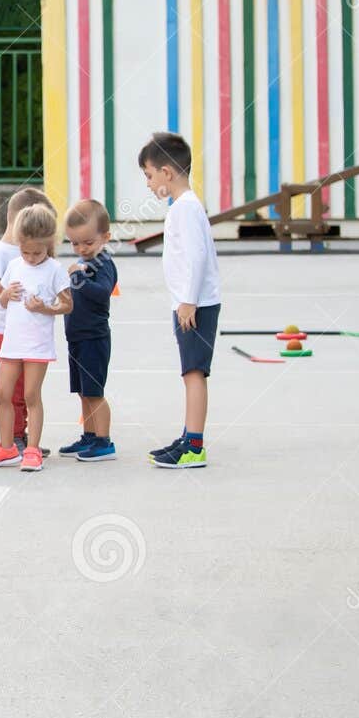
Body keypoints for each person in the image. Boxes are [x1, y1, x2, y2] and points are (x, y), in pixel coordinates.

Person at [140, 130, 220, 469]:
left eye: (148, 175)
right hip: (189, 302)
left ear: (166, 173)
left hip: (195, 304)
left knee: (193, 373)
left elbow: (198, 256)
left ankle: (195, 446)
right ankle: (188, 436)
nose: (147, 183)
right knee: (190, 371)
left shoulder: (185, 208)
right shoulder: (184, 206)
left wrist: (188, 301)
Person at [0, 205, 71, 472]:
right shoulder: (15, 265)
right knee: (1, 392)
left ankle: (32, 450)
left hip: (37, 344)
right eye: (25, 251)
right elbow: (3, 299)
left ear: (50, 244)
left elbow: (67, 305)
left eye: (37, 252)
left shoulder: (54, 269)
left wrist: (45, 307)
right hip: (12, 341)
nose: (30, 257)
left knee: (31, 394)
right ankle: (7, 446)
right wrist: (6, 294)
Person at [58, 200, 118, 462]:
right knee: (83, 392)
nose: (81, 249)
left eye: (88, 243)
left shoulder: (103, 263)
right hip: (77, 337)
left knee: (95, 392)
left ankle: (104, 441)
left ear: (105, 237)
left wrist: (79, 277)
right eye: (74, 243)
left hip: (94, 337)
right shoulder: (84, 262)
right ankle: (89, 435)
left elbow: (102, 292)